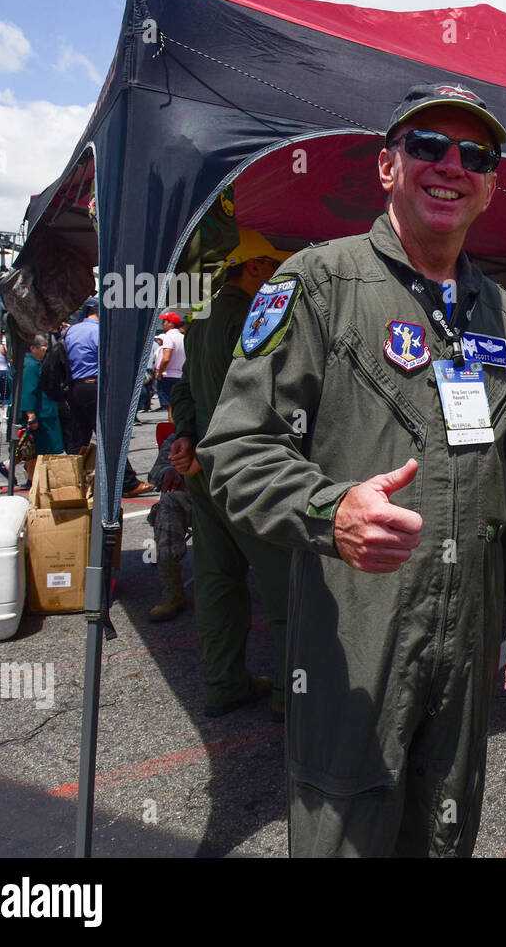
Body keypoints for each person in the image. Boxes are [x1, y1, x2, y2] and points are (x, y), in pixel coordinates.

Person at [198, 83, 506, 857]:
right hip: (354, 636)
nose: (451, 166)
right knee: (345, 828)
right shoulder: (318, 282)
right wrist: (328, 512)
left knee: (444, 825)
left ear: (491, 185)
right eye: (428, 146)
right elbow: (234, 449)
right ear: (387, 166)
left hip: (466, 638)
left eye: (476, 155)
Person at [167, 230, 293, 719]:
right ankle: (288, 693)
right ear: (257, 267)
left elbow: (182, 391)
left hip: (200, 469)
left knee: (217, 583)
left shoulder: (198, 322)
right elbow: (252, 399)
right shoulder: (252, 319)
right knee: (283, 584)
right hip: (243, 471)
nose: (284, 276)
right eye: (277, 266)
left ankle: (224, 685)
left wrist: (185, 437)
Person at [65, 302, 155, 496]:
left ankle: (71, 481)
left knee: (79, 439)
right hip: (96, 386)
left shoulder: (72, 331)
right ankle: (128, 483)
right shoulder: (99, 332)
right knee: (111, 437)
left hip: (76, 387)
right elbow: (111, 360)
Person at [0, 336, 64, 486]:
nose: (46, 348)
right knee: (35, 446)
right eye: (43, 346)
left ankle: (31, 478)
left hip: (33, 410)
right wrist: (31, 414)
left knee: (32, 447)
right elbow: (27, 390)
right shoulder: (31, 364)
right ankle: (9, 465)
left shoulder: (24, 362)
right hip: (37, 412)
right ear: (32, 347)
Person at [146, 429, 195, 621]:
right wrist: (170, 471)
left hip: (233, 498)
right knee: (168, 504)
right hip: (195, 501)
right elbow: (156, 472)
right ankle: (172, 590)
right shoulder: (179, 437)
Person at [154, 312, 186, 410]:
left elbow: (166, 358)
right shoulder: (183, 337)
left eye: (164, 321)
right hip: (181, 375)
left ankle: (173, 425)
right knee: (179, 405)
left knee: (171, 407)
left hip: (168, 376)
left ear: (171, 324)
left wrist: (159, 373)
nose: (162, 324)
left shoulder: (168, 337)